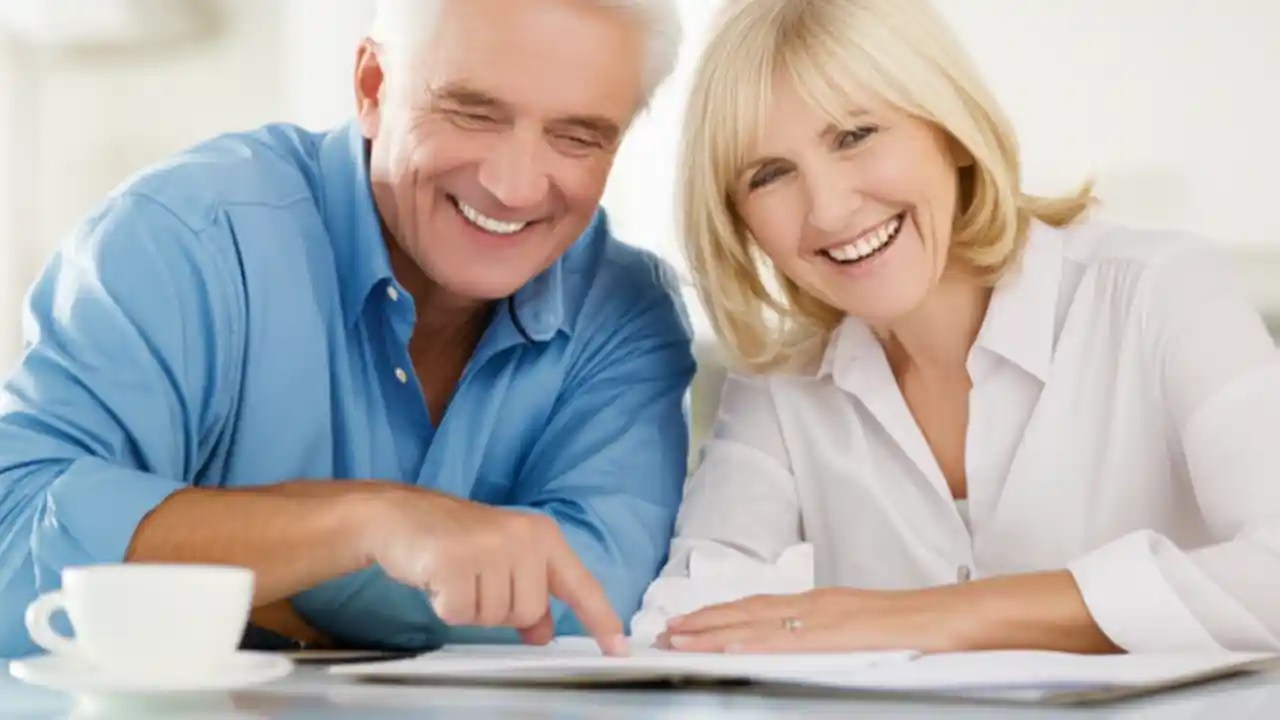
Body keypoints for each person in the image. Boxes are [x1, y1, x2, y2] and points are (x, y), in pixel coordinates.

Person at [0, 0, 695, 659]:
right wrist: (362, 525)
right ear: (373, 86)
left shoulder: (627, 317)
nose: (514, 186)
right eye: (473, 113)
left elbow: (597, 605)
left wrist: (249, 583)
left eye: (577, 137)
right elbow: (12, 547)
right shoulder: (185, 238)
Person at [635, 0, 1280, 654]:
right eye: (769, 175)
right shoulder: (779, 394)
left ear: (949, 128)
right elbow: (685, 625)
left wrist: (932, 617)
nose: (828, 209)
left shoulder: (1160, 294)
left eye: (855, 135)